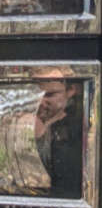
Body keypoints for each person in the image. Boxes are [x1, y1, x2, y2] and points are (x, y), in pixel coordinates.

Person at [34, 69, 83, 199]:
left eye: (50, 94)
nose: (41, 101)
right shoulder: (39, 122)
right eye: (37, 95)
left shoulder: (77, 127)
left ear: (71, 91)